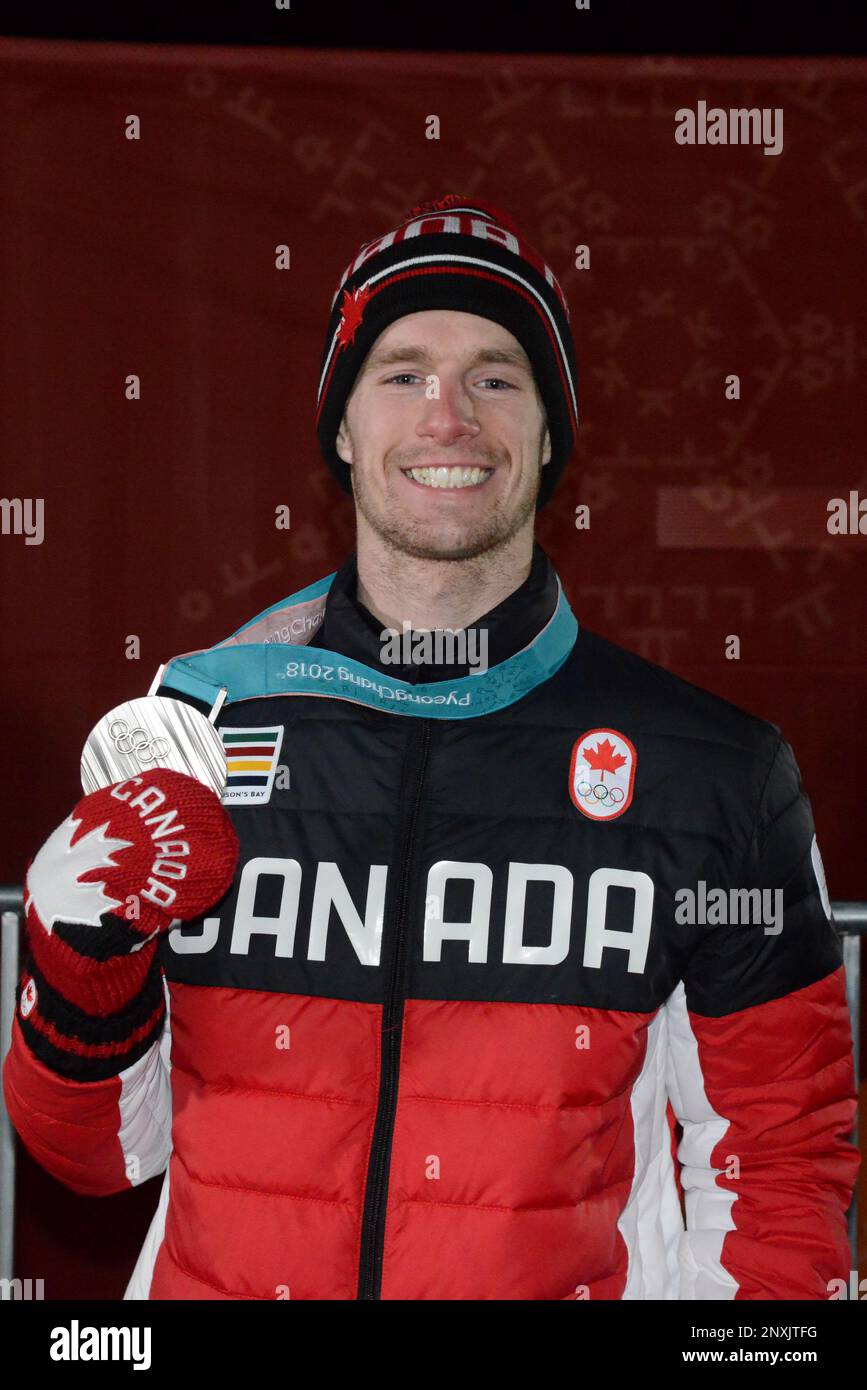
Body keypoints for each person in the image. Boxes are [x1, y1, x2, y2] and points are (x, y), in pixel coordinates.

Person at [3, 195, 859, 1301]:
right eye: (402, 373)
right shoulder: (198, 723)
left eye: (496, 378)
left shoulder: (716, 772)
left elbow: (782, 1169)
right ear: (345, 428)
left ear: (549, 435)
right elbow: (97, 1154)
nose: (447, 417)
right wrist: (80, 963)